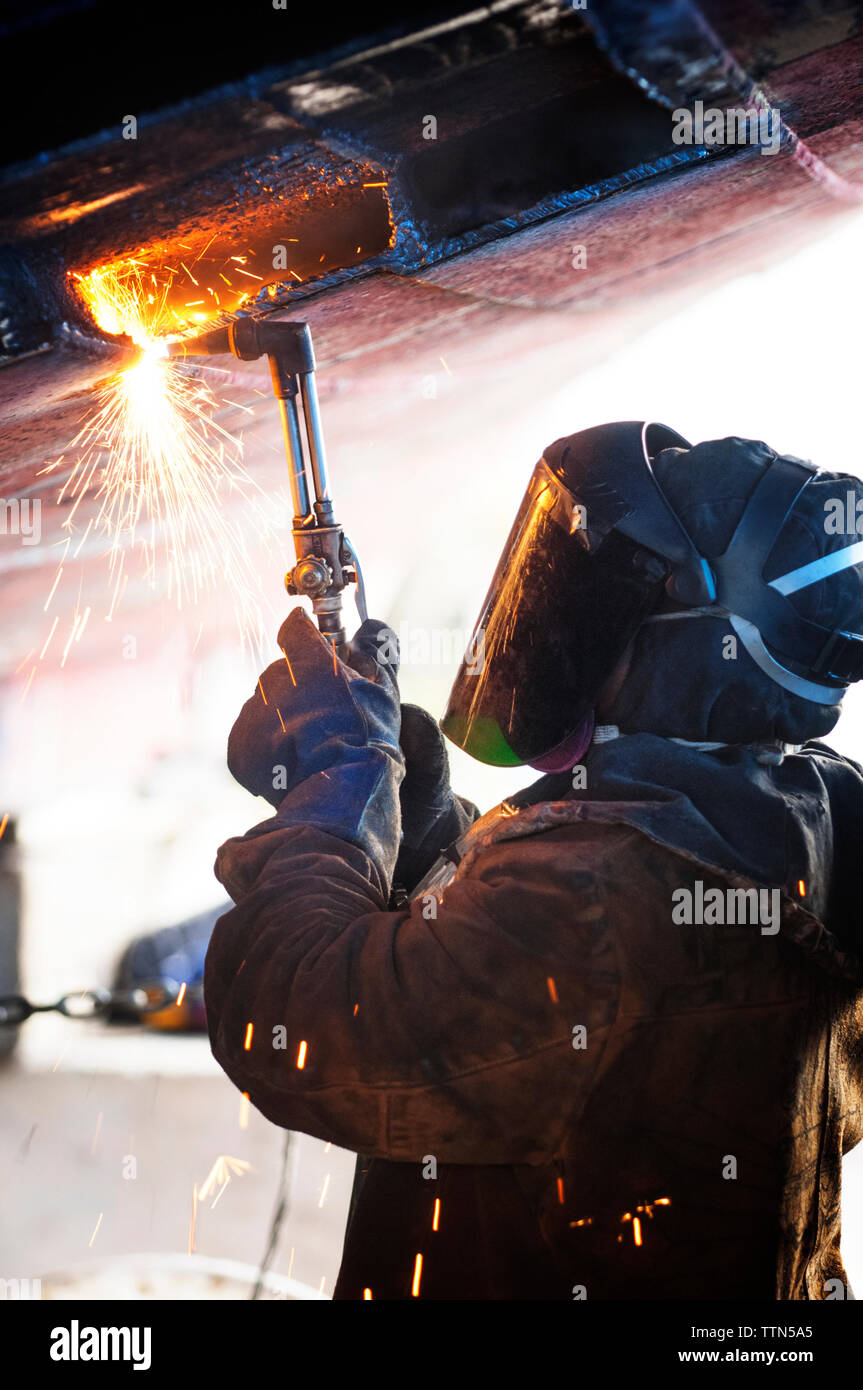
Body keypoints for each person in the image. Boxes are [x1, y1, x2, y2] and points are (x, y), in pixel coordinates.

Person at [204, 422, 863, 1300]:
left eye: (599, 604)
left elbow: (303, 1018)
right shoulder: (812, 815)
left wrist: (335, 794)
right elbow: (543, 987)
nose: (565, 624)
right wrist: (425, 824)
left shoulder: (593, 906)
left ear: (696, 635)